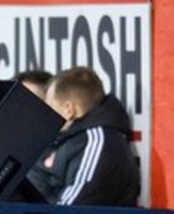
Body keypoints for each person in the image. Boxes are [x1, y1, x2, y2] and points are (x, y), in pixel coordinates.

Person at [27, 67, 140, 206]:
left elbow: (73, 211)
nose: (44, 112)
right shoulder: (61, 140)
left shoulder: (98, 143)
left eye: (50, 105)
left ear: (68, 110)